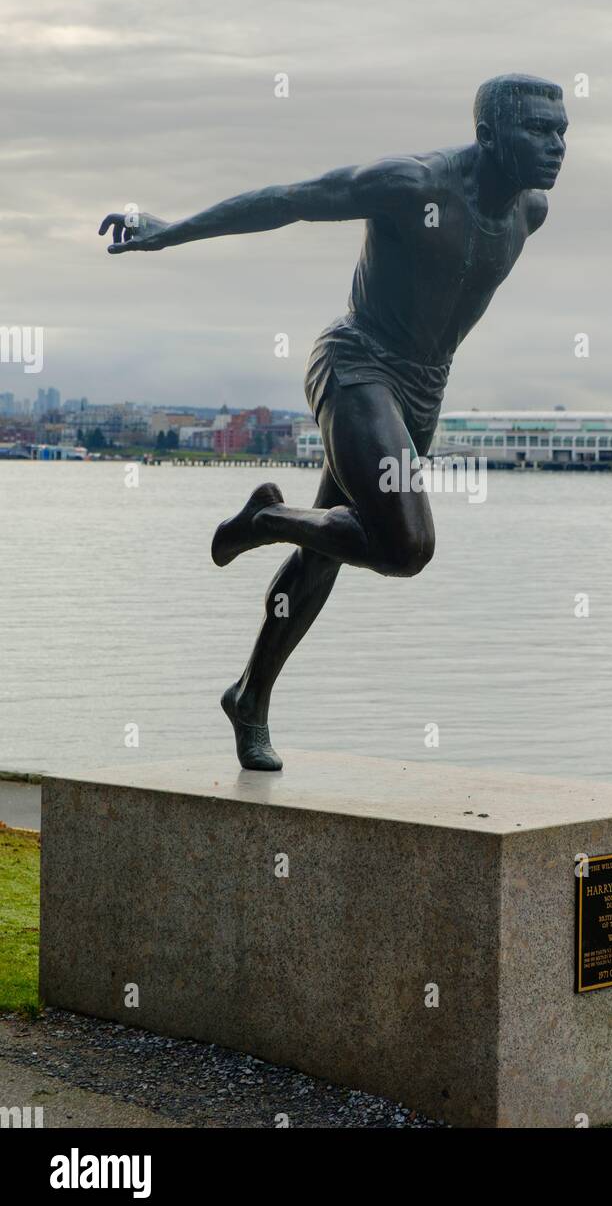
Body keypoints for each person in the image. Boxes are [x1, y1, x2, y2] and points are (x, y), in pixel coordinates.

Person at [99, 73, 568, 769]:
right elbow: (291, 200)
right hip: (356, 367)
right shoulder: (413, 185)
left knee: (325, 555)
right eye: (538, 130)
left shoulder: (531, 211)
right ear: (489, 135)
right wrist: (169, 233)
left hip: (422, 393)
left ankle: (249, 698)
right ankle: (264, 520)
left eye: (562, 132)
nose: (556, 146)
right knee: (405, 547)